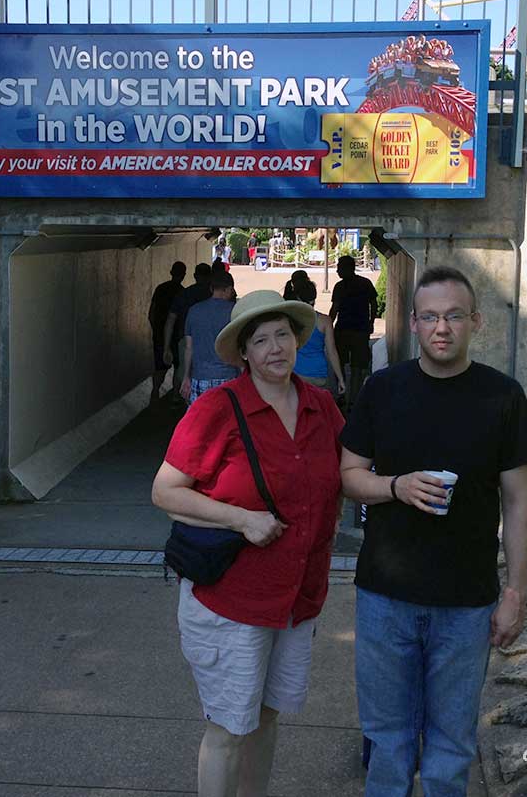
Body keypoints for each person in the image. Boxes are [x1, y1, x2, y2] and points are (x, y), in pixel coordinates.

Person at [338, 265, 527, 797]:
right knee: (388, 741)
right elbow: (349, 476)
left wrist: (515, 593)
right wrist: (396, 486)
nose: (441, 328)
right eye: (429, 317)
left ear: (475, 321)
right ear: (413, 322)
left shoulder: (503, 397)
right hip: (385, 598)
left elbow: (519, 503)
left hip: (467, 605)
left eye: (454, 316)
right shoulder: (383, 390)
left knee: (452, 746)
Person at [152, 290, 346, 797]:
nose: (275, 348)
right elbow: (165, 492)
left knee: (266, 717)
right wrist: (242, 519)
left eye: (283, 334)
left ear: (298, 340)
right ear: (243, 353)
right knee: (228, 729)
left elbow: (348, 475)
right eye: (260, 340)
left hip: (297, 599)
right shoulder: (217, 408)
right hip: (232, 601)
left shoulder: (321, 406)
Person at [180, 270, 239, 404]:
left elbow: (189, 348)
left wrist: (186, 377)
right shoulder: (234, 312)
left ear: (211, 288)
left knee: (201, 417)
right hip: (228, 377)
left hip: (200, 378)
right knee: (228, 416)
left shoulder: (194, 310)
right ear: (229, 289)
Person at [329, 254, 378, 410]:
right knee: (358, 366)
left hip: (342, 330)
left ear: (347, 268)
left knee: (340, 364)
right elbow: (374, 304)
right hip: (361, 330)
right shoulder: (365, 283)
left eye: (339, 268)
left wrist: (327, 327)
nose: (337, 271)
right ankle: (354, 399)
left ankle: (342, 394)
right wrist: (371, 322)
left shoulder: (339, 287)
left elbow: (334, 309)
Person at [289, 278, 345, 399]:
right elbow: (332, 351)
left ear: (298, 297)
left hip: (296, 373)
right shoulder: (325, 321)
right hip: (318, 373)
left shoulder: (292, 319)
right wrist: (340, 378)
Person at [164, 264, 214, 393]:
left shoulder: (184, 294)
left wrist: (166, 346)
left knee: (182, 371)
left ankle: (177, 396)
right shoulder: (213, 295)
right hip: (209, 341)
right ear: (210, 277)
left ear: (195, 276)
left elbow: (170, 319)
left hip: (185, 339)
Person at [148, 261, 187, 405]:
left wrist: (156, 330)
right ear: (184, 275)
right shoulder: (183, 293)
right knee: (178, 366)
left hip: (159, 334)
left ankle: (155, 392)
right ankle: (175, 395)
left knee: (160, 367)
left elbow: (151, 313)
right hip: (176, 336)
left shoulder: (160, 289)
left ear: (171, 272)